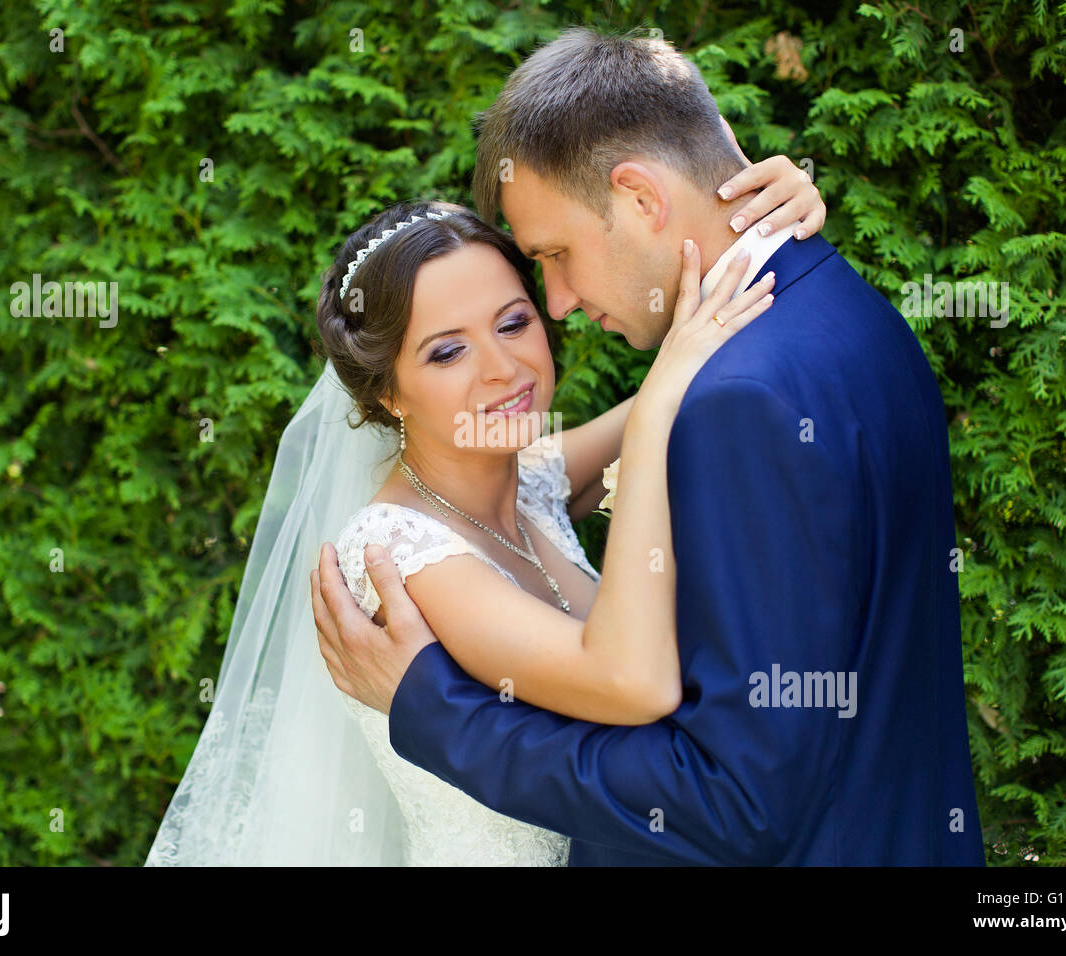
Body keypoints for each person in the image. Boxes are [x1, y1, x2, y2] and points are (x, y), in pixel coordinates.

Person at [312, 27, 986, 866]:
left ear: (639, 198)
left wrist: (431, 706)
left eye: (543, 275)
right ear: (386, 390)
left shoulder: (720, 405)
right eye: (446, 350)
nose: (555, 307)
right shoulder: (849, 311)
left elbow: (736, 798)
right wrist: (752, 226)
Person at [143, 146, 825, 866]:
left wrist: (761, 223)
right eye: (446, 353)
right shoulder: (397, 559)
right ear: (385, 393)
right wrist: (659, 408)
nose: (503, 369)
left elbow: (699, 351)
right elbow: (633, 683)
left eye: (511, 323)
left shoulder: (528, 475)